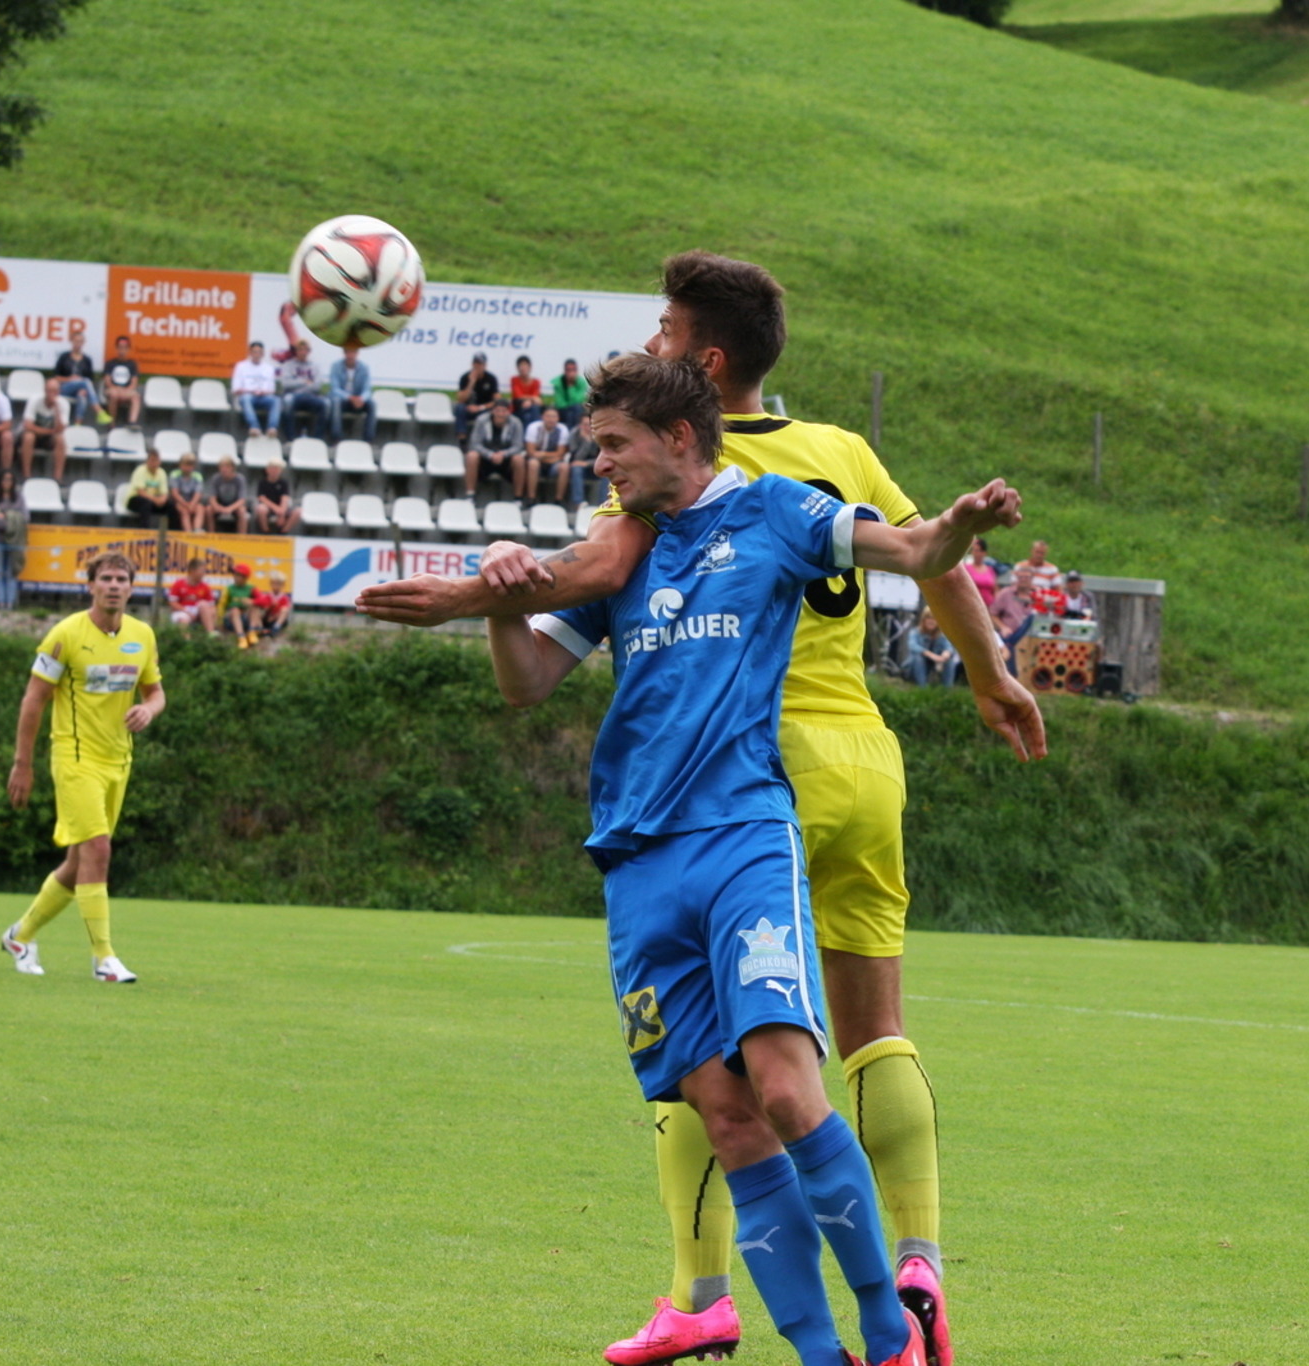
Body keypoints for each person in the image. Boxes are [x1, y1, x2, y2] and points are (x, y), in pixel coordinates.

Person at [357, 251, 1047, 1366]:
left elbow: (916, 550)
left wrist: (962, 528)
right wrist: (494, 599)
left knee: (782, 1078)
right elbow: (534, 668)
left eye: (613, 445)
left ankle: (835, 1316)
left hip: (750, 808)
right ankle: (864, 1306)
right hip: (701, 829)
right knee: (753, 1089)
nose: (603, 463)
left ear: (688, 403)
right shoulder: (681, 515)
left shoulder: (762, 505)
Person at [0, 552, 165, 984]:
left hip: (118, 760)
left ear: (132, 587)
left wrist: (149, 710)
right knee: (98, 851)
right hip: (74, 758)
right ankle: (103, 958)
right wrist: (23, 764)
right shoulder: (65, 634)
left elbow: (156, 693)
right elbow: (33, 700)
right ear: (89, 585)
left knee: (79, 863)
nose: (113, 585)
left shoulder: (142, 635)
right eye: (105, 578)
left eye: (121, 579)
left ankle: (21, 935)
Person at [466, 397, 528, 499]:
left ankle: (518, 498)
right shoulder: (481, 420)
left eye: (504, 411)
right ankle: (470, 494)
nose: (500, 414)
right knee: (471, 456)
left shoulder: (516, 423)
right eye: (497, 410)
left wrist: (503, 454)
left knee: (519, 459)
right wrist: (490, 455)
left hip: (506, 459)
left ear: (509, 411)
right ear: (492, 411)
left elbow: (518, 446)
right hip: (485, 458)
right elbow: (475, 443)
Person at [16, 376, 70, 481]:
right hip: (34, 435)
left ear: (58, 392)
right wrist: (50, 431)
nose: (51, 393)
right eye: (49, 390)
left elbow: (61, 429)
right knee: (29, 437)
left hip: (48, 437)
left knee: (60, 439)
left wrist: (57, 410)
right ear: (44, 390)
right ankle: (26, 475)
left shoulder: (63, 404)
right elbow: (27, 425)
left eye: (54, 391)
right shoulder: (34, 400)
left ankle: (58, 478)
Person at [53, 323, 103, 426]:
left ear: (84, 342)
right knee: (84, 381)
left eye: (80, 341)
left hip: (80, 390)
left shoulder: (87, 360)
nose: (78, 344)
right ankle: (98, 410)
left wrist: (83, 389)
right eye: (76, 341)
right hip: (64, 388)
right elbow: (56, 378)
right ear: (71, 341)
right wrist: (70, 379)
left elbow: (90, 381)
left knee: (82, 395)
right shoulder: (64, 357)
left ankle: (77, 424)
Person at [0, 469, 27, 610]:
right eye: (4, 479)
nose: (7, 483)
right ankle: (0, 603)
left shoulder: (19, 498)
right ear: (0, 482)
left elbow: (25, 517)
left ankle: (10, 604)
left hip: (15, 540)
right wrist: (11, 520)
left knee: (11, 572)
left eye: (10, 479)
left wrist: (5, 517)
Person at [277, 338, 328, 440]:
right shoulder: (288, 365)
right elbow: (285, 384)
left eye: (305, 350)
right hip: (294, 396)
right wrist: (304, 382)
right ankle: (290, 437)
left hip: (311, 396)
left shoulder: (315, 366)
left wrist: (298, 383)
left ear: (309, 351)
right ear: (296, 351)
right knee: (287, 401)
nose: (303, 352)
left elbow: (318, 386)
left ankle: (318, 438)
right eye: (300, 349)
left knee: (326, 404)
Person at [525, 404, 573, 505]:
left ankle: (559, 499)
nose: (551, 419)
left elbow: (561, 453)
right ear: (542, 417)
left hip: (553, 462)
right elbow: (530, 451)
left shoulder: (562, 429)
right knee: (533, 464)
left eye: (554, 416)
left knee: (564, 467)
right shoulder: (533, 427)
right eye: (548, 416)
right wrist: (550, 457)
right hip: (537, 460)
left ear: (558, 418)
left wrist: (543, 454)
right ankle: (531, 498)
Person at [328, 343, 376, 442]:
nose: (350, 355)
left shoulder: (364, 367)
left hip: (358, 401)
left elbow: (367, 389)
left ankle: (368, 440)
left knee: (372, 404)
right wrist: (350, 398)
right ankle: (336, 438)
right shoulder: (336, 366)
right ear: (344, 353)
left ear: (357, 353)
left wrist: (361, 398)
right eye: (348, 352)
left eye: (353, 352)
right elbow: (335, 389)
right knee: (335, 402)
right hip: (343, 400)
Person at [231, 341, 280, 437]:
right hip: (248, 396)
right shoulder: (241, 366)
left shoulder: (269, 368)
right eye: (254, 352)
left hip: (264, 397)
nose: (257, 355)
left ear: (263, 354)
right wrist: (251, 391)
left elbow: (272, 390)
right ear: (250, 353)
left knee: (276, 400)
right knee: (246, 398)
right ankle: (254, 427)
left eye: (259, 352)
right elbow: (236, 389)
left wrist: (263, 392)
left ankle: (272, 428)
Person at [989, 574, 1033, 674]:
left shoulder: (1036, 595)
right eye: (1021, 577)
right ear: (1016, 579)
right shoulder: (1006, 593)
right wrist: (1003, 627)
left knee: (1031, 619)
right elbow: (992, 614)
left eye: (1026, 577)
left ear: (1032, 580)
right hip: (1009, 635)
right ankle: (1012, 675)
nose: (1023, 580)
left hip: (1030, 637)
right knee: (1009, 643)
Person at [453, 352, 500, 441]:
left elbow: (497, 400)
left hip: (483, 409)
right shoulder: (465, 377)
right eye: (476, 363)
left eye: (480, 364)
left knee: (494, 411)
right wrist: (471, 383)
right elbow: (460, 399)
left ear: (485, 365)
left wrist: (480, 407)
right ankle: (462, 438)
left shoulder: (491, 379)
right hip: (468, 409)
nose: (477, 366)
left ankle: (487, 439)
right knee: (459, 408)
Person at [906, 609, 956, 687]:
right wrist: (931, 655)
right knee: (918, 657)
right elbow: (913, 646)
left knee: (949, 659)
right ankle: (923, 689)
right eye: (928, 618)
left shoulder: (942, 635)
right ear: (923, 620)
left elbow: (949, 647)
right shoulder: (915, 632)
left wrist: (946, 653)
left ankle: (947, 689)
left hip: (935, 666)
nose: (931, 621)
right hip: (914, 668)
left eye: (934, 618)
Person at [563, 413, 603, 508]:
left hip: (595, 465)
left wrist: (586, 463)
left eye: (590, 424)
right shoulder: (574, 435)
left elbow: (603, 457)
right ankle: (578, 502)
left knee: (607, 471)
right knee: (576, 468)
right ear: (580, 425)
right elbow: (576, 459)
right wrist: (587, 442)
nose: (588, 428)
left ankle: (604, 503)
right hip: (578, 468)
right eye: (585, 425)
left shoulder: (600, 435)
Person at [167, 557, 217, 633]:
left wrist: (212, 614)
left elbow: (212, 606)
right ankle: (187, 642)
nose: (204, 574)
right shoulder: (179, 584)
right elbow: (172, 602)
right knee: (183, 620)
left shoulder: (205, 587)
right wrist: (187, 612)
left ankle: (211, 634)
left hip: (198, 612)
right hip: (182, 611)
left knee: (203, 604)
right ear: (192, 571)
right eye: (202, 571)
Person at [123, 449, 171, 527]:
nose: (154, 463)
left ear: (159, 462)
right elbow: (141, 492)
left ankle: (173, 533)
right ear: (147, 461)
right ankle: (144, 531)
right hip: (135, 500)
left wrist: (162, 500)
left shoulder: (162, 472)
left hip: (153, 500)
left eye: (156, 460)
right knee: (146, 504)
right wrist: (156, 500)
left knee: (171, 505)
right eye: (152, 460)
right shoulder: (140, 470)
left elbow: (164, 493)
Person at [102, 335, 143, 425]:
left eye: (125, 348)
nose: (122, 350)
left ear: (128, 349)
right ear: (116, 348)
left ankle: (132, 422)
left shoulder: (132, 364)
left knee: (136, 396)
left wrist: (126, 390)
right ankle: (112, 423)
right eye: (120, 347)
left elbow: (134, 382)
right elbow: (107, 381)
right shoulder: (110, 363)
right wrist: (116, 388)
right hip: (113, 389)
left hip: (127, 390)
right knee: (114, 394)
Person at [205, 455, 250, 534]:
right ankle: (211, 535)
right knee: (209, 509)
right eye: (222, 467)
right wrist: (217, 507)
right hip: (220, 504)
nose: (224, 469)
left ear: (232, 468)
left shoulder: (240, 479)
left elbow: (242, 499)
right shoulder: (215, 478)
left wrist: (230, 508)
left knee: (242, 511)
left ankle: (242, 537)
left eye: (226, 467)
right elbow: (212, 497)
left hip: (234, 505)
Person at [254, 459, 300, 534]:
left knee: (298, 511)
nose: (274, 471)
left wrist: (282, 514)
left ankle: (283, 532)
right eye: (272, 468)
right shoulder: (262, 482)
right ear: (267, 470)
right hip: (268, 507)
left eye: (277, 469)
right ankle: (265, 532)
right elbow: (262, 498)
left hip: (281, 507)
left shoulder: (283, 483)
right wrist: (276, 509)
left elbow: (285, 499)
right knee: (261, 509)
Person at [222, 562, 259, 648]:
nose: (234, 576)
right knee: (235, 610)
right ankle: (241, 637)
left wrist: (252, 601)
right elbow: (222, 605)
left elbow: (263, 600)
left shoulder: (251, 588)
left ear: (245, 578)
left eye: (238, 575)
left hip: (245, 619)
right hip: (231, 620)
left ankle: (251, 632)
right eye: (235, 574)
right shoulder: (229, 588)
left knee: (255, 606)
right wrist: (219, 620)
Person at [169, 452, 207, 532]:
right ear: (180, 465)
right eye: (185, 465)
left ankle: (197, 529)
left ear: (193, 466)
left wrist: (192, 504)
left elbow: (198, 493)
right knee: (184, 511)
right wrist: (185, 504)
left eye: (190, 465)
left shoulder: (198, 476)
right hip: (179, 502)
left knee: (200, 508)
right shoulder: (174, 474)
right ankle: (188, 532)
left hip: (192, 502)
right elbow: (175, 493)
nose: (187, 467)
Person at [549, 357, 589, 430]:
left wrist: (571, 386)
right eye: (568, 370)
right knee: (571, 411)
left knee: (575, 409)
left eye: (573, 370)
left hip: (576, 409)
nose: (571, 372)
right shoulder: (558, 382)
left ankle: (574, 432)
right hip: (561, 410)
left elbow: (579, 400)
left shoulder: (581, 382)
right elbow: (559, 403)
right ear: (564, 371)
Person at [254, 573, 294, 639]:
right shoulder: (267, 596)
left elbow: (286, 609)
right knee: (257, 610)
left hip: (278, 618)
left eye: (278, 584)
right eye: (274, 583)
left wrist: (275, 615)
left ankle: (276, 627)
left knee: (284, 610)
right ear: (271, 584)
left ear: (283, 585)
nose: (276, 586)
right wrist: (270, 607)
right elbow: (264, 608)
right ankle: (260, 628)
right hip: (267, 617)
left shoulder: (284, 597)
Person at [508, 354, 544, 421]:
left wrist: (530, 401)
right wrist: (532, 399)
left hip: (532, 408)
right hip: (518, 408)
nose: (523, 367)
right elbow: (518, 396)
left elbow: (536, 397)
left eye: (525, 365)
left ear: (530, 367)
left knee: (534, 409)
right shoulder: (514, 380)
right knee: (527, 411)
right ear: (517, 368)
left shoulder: (536, 382)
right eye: (521, 365)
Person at [963, 538, 997, 606]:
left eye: (977, 551)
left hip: (989, 605)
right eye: (974, 550)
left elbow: (995, 589)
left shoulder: (990, 570)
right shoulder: (966, 569)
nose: (975, 553)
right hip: (972, 604)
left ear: (984, 553)